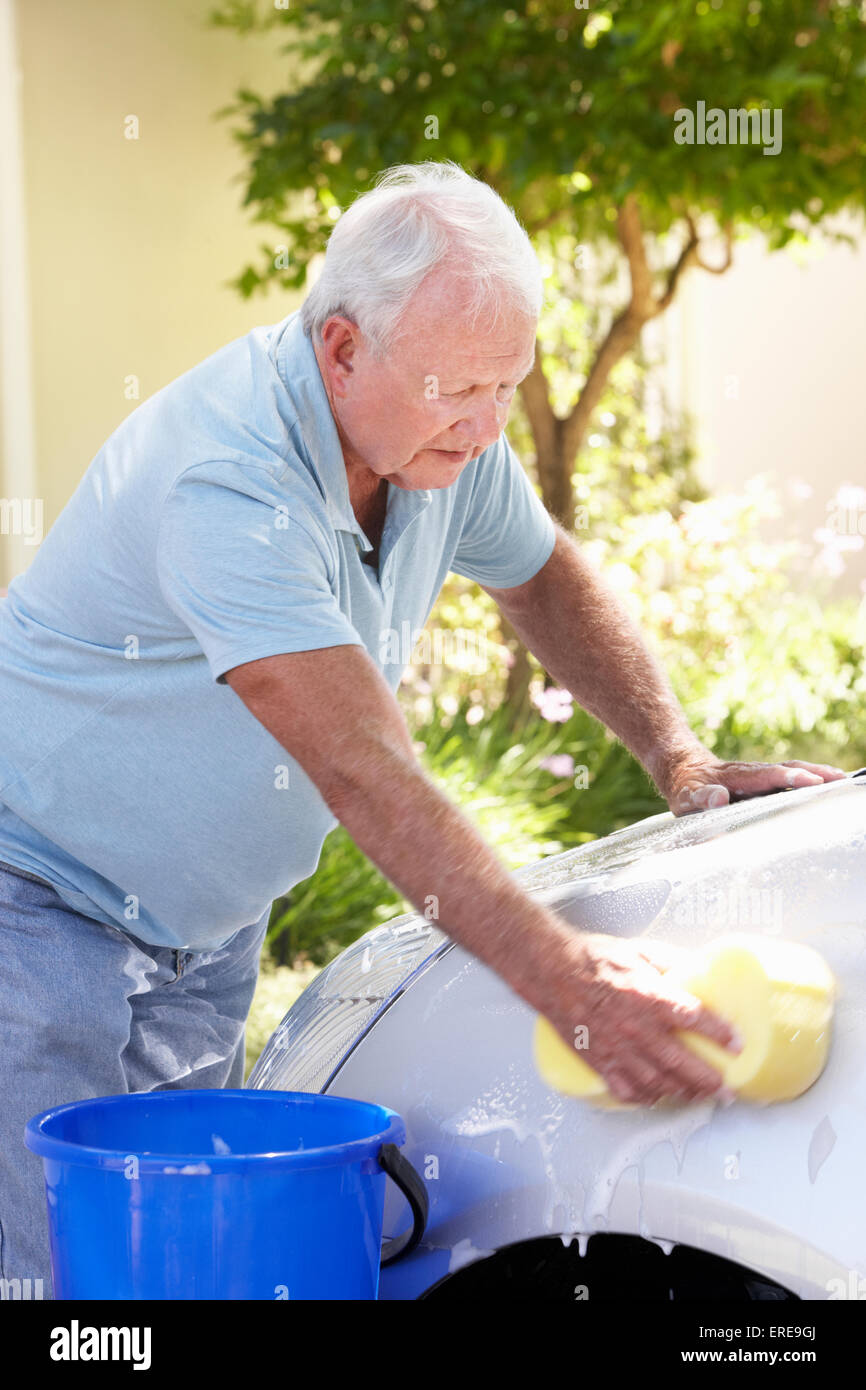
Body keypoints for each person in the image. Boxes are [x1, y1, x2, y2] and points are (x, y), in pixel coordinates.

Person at [0, 161, 844, 1297]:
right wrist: (569, 983)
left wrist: (674, 756)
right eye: (460, 386)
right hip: (35, 898)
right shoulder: (228, 481)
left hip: (201, 923)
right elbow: (363, 768)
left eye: (511, 382)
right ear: (341, 349)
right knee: (58, 1276)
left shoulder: (441, 445)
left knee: (179, 1270)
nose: (489, 422)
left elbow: (542, 578)